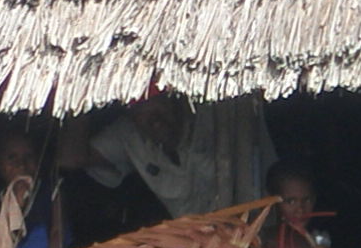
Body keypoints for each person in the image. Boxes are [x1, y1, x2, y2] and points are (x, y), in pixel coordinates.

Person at [81, 93, 280, 221]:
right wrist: (74, 99)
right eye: (142, 112)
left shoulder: (221, 110)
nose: (154, 118)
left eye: (157, 104)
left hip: (253, 233)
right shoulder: (129, 135)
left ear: (175, 99)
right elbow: (72, 159)